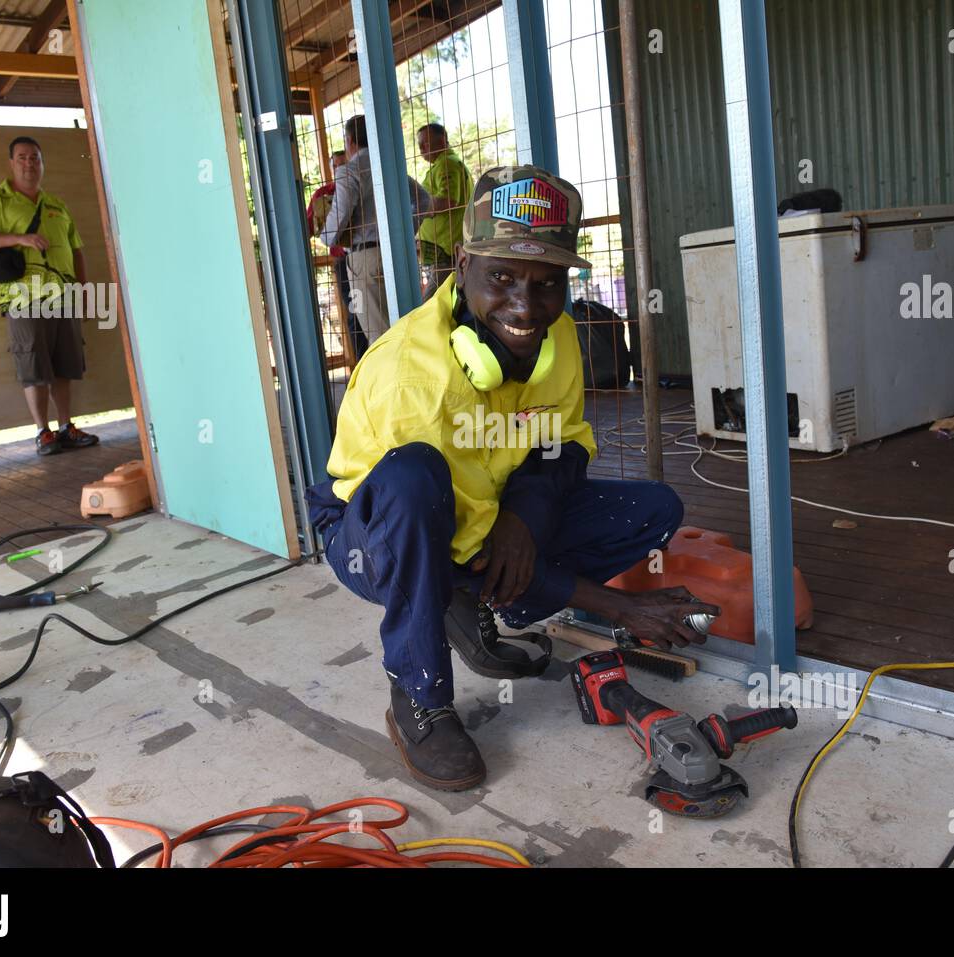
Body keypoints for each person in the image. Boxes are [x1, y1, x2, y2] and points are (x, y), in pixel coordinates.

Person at [307, 166, 717, 792]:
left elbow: (564, 444)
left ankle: (478, 602)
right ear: (463, 264)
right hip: (374, 536)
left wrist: (522, 520)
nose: (526, 307)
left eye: (547, 284)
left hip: (486, 513)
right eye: (502, 278)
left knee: (654, 509)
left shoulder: (556, 339)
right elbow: (455, 544)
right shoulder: (410, 375)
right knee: (418, 484)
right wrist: (615, 605)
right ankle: (418, 698)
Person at [0, 136, 99, 457]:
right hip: (23, 298)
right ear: (11, 163)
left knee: (65, 365)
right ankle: (43, 432)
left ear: (42, 163)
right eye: (22, 157)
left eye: (35, 158)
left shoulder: (56, 204)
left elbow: (76, 249)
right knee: (34, 366)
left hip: (62, 296)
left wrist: (83, 290)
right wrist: (19, 238)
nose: (29, 163)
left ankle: (66, 427)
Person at [320, 115, 432, 348]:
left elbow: (339, 216)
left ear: (350, 141)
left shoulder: (349, 171)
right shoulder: (388, 167)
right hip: (400, 254)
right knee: (409, 326)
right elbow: (423, 200)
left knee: (380, 337)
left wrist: (325, 237)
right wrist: (405, 232)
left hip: (366, 258)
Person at [306, 149, 368, 359]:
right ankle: (362, 364)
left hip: (364, 254)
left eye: (344, 164)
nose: (340, 168)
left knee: (373, 311)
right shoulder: (322, 194)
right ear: (332, 169)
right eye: (336, 166)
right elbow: (308, 226)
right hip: (343, 262)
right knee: (354, 313)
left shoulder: (358, 184)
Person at [415, 123, 473, 299]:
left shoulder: (447, 163)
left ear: (441, 141)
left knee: (432, 304)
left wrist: (416, 206)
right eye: (419, 144)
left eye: (425, 143)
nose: (420, 148)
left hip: (446, 252)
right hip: (442, 250)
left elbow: (448, 200)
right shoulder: (443, 164)